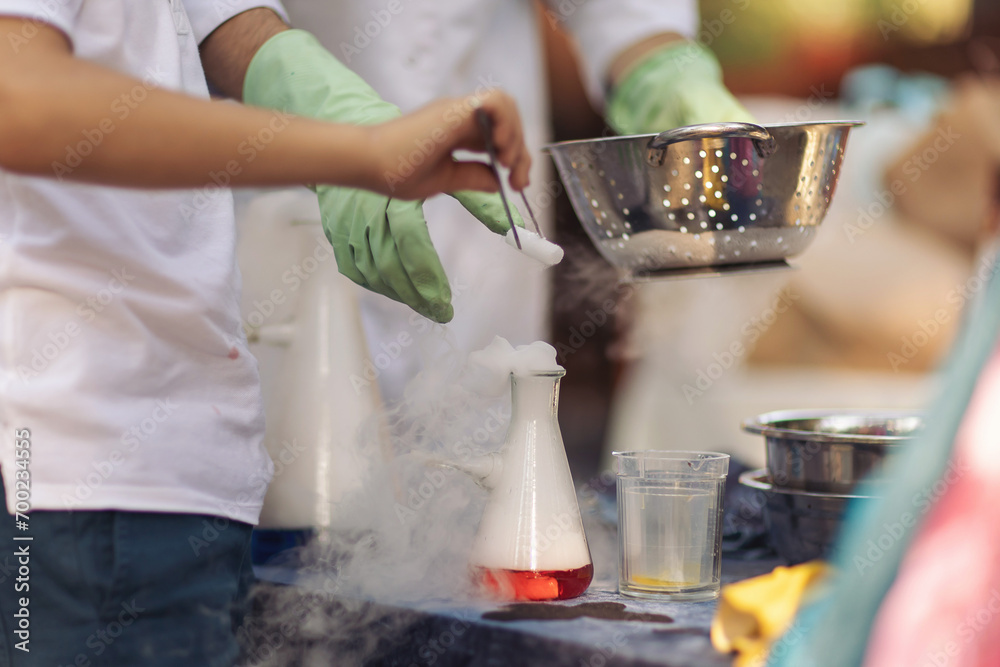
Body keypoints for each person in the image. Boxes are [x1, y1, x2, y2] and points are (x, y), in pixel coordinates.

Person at [0, 3, 529, 665]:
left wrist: (342, 108)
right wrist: (360, 153)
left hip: (174, 484)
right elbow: (17, 97)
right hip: (83, 476)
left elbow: (215, 17)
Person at [277, 0, 754, 403]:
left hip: (489, 206)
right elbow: (219, 17)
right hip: (285, 177)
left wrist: (657, 69)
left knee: (484, 453)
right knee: (306, 447)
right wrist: (300, 93)